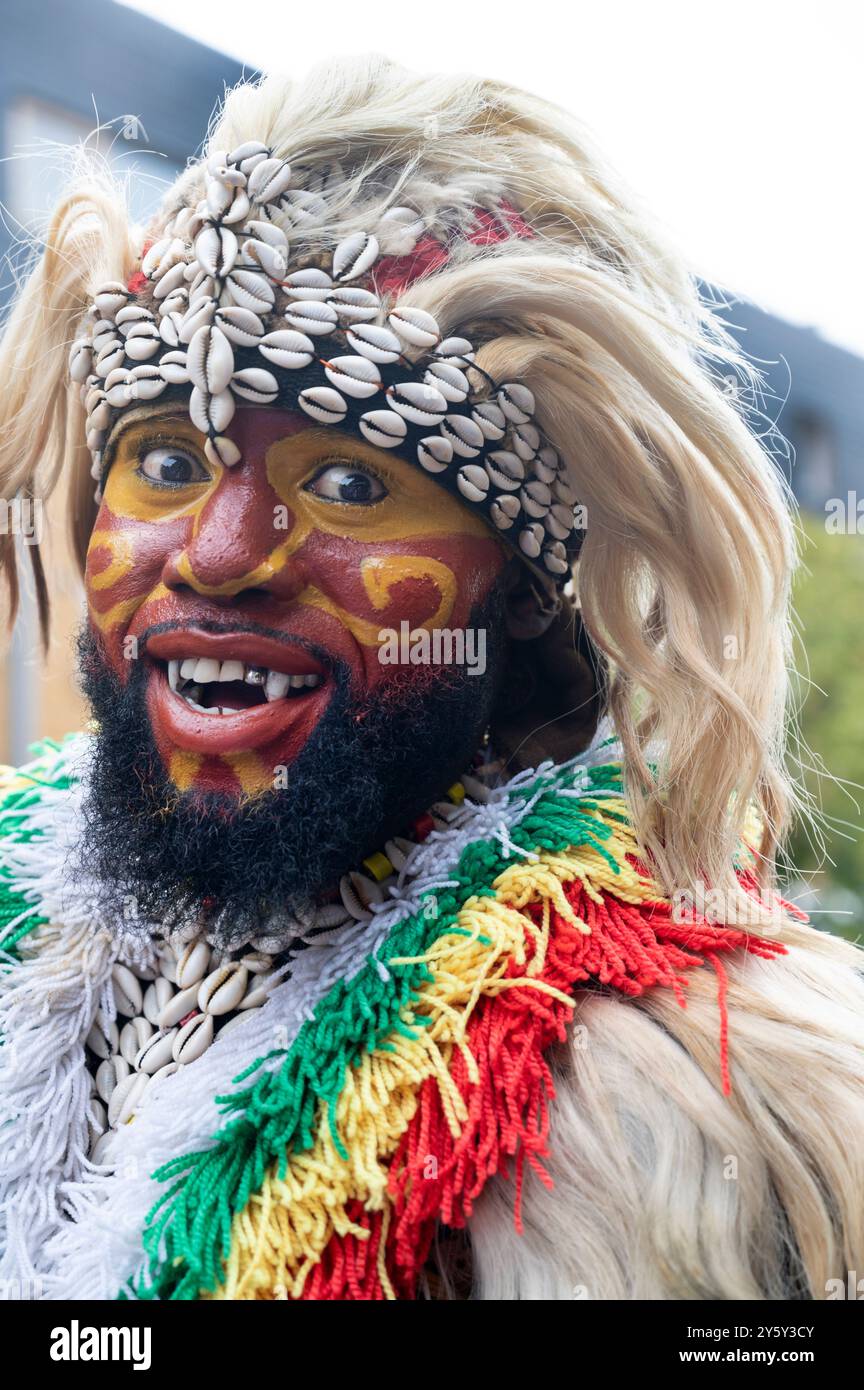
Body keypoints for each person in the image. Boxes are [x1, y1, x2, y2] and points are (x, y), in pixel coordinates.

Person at [0, 55, 861, 1302]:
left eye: (348, 482)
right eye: (169, 462)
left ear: (517, 582)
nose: (219, 553)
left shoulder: (645, 1090)